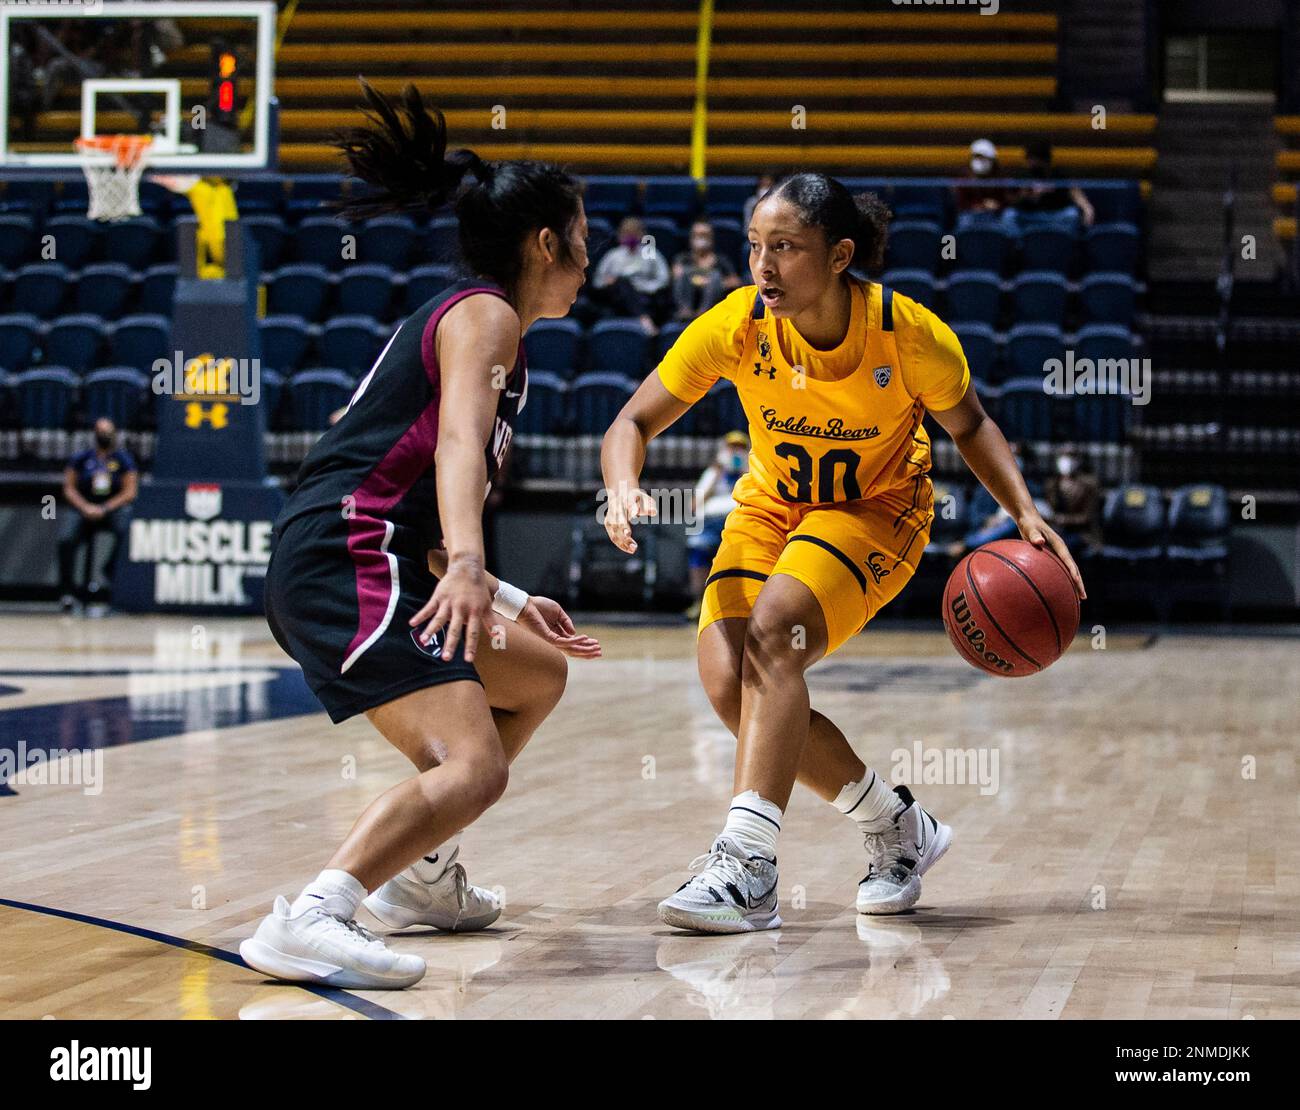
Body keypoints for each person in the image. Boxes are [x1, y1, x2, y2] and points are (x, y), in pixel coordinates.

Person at [601, 172, 1085, 934]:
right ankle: (897, 826)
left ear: (839, 255)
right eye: (755, 245)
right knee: (731, 684)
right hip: (771, 508)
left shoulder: (907, 332)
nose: (763, 265)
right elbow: (630, 419)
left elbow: (972, 425)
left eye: (786, 248)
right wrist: (623, 484)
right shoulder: (739, 323)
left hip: (876, 509)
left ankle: (748, 866)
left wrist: (1022, 510)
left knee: (774, 633)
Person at [239, 80, 601, 990]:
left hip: (368, 549)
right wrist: (475, 563)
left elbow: (426, 489)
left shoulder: (486, 324)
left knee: (535, 674)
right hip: (342, 553)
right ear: (545, 242)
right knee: (474, 766)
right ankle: (314, 915)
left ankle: (423, 880)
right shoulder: (487, 316)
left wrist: (509, 595)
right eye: (583, 241)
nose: (590, 262)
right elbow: (451, 447)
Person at [57, 418, 137, 610]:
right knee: (65, 538)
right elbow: (68, 488)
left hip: (111, 509)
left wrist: (105, 508)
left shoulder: (123, 459)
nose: (104, 435)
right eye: (101, 431)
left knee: (127, 528)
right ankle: (67, 591)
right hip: (83, 508)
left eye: (108, 431)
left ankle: (111, 570)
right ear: (94, 434)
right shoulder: (81, 458)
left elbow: (130, 492)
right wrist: (85, 507)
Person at [686, 431, 751, 617]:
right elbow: (694, 504)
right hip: (711, 522)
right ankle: (699, 602)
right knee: (697, 550)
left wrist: (745, 471)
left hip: (739, 519)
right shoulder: (712, 473)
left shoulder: (752, 473)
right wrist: (717, 474)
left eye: (740, 448)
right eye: (732, 448)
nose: (735, 452)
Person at [590, 215, 671, 333]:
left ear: (642, 234)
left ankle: (643, 316)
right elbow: (598, 281)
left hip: (644, 295)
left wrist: (645, 287)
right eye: (626, 233)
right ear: (620, 235)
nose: (630, 236)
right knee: (622, 282)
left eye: (634, 233)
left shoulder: (650, 253)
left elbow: (664, 279)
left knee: (627, 285)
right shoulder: (613, 255)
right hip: (616, 298)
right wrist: (607, 282)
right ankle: (644, 318)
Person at [1015, 139, 1095, 229]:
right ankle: (1017, 242)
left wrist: (1087, 209)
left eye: (1034, 159)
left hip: (1055, 214)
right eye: (1029, 159)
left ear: (1045, 160)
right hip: (1030, 215)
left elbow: (1074, 192)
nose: (1030, 163)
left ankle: (1064, 241)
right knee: (1010, 215)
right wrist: (1027, 195)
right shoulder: (1023, 176)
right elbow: (1014, 198)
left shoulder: (1058, 175)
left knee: (1071, 214)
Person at [672, 221, 740, 320]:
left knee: (715, 276)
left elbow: (735, 281)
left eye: (704, 235)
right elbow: (676, 276)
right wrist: (700, 281)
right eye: (697, 235)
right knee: (684, 273)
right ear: (691, 238)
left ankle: (704, 312)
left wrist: (716, 283)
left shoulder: (721, 261)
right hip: (687, 304)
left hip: (713, 306)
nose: (701, 239)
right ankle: (685, 312)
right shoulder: (683, 259)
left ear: (711, 238)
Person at [1046, 446, 1101, 557]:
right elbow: (1050, 508)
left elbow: (1088, 517)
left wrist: (1063, 519)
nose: (1067, 460)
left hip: (1082, 534)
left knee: (1061, 546)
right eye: (1063, 456)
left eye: (1071, 456)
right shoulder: (1053, 484)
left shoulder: (1089, 484)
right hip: (1057, 531)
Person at [954, 138, 1011, 216]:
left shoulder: (999, 176)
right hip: (971, 214)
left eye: (984, 157)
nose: (981, 161)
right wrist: (979, 206)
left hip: (996, 215)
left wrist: (997, 205)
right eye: (977, 157)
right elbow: (961, 203)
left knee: (1009, 215)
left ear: (992, 160)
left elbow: (1006, 200)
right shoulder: (964, 177)